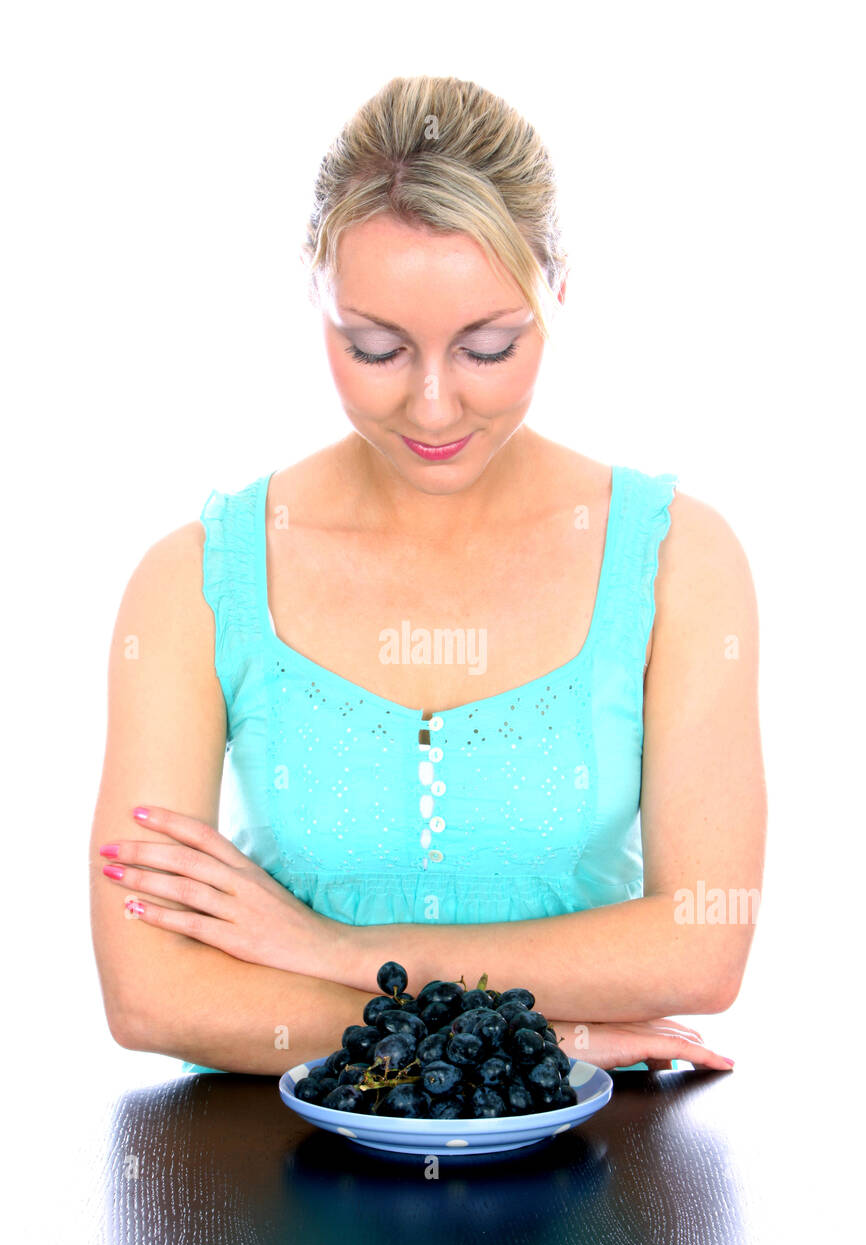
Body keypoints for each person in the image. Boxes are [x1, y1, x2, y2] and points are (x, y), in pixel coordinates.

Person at [90, 75, 766, 1077]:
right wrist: (526, 1031)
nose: (435, 406)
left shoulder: (679, 562)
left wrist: (336, 955)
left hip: (592, 1161)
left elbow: (700, 951)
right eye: (375, 348)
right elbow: (147, 995)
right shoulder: (191, 580)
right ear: (318, 304)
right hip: (280, 1168)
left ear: (557, 291)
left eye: (488, 347)